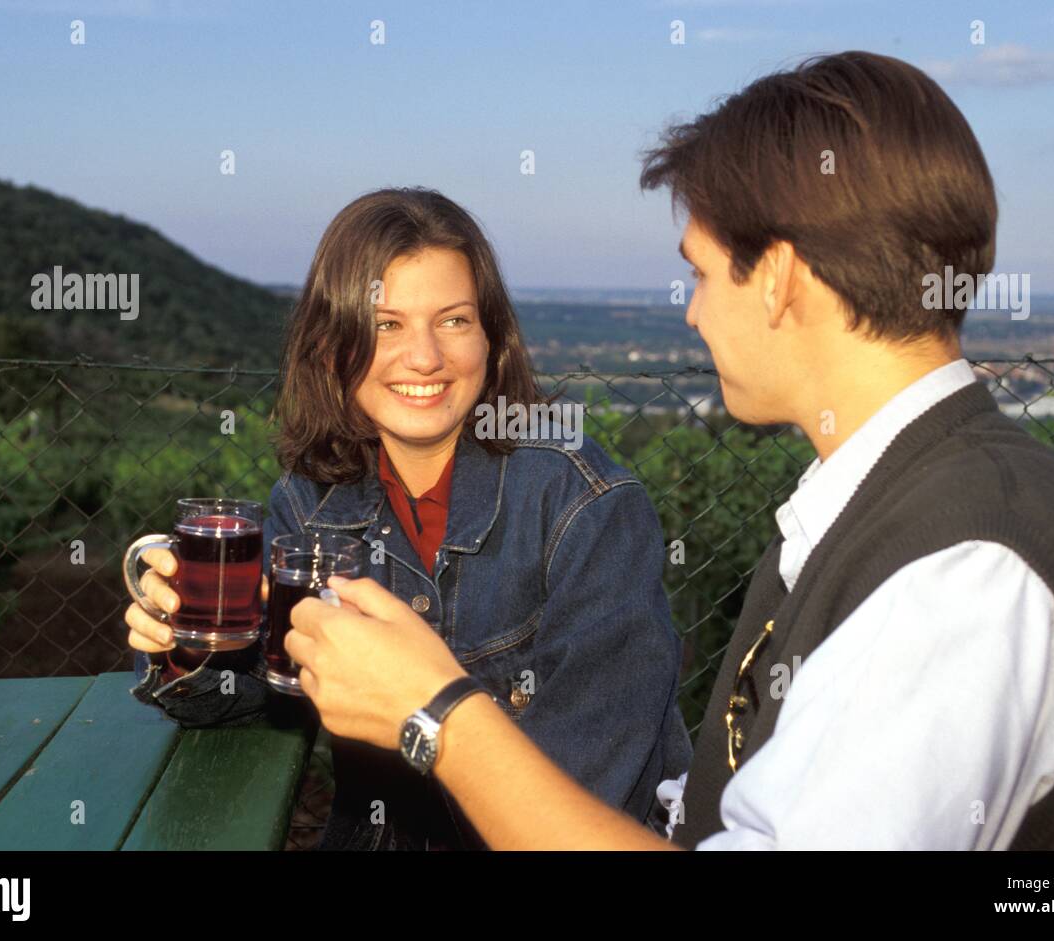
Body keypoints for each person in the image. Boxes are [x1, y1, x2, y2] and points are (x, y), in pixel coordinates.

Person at [284, 51, 1054, 850]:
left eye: (702, 272)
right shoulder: (900, 505)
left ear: (780, 275)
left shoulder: (959, 578)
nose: (693, 311)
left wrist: (439, 714)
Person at [123, 188, 692, 850]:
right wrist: (190, 642)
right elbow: (258, 694)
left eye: (452, 320)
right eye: (386, 324)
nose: (424, 357)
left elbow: (583, 811)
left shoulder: (585, 508)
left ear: (491, 336)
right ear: (333, 346)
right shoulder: (311, 502)